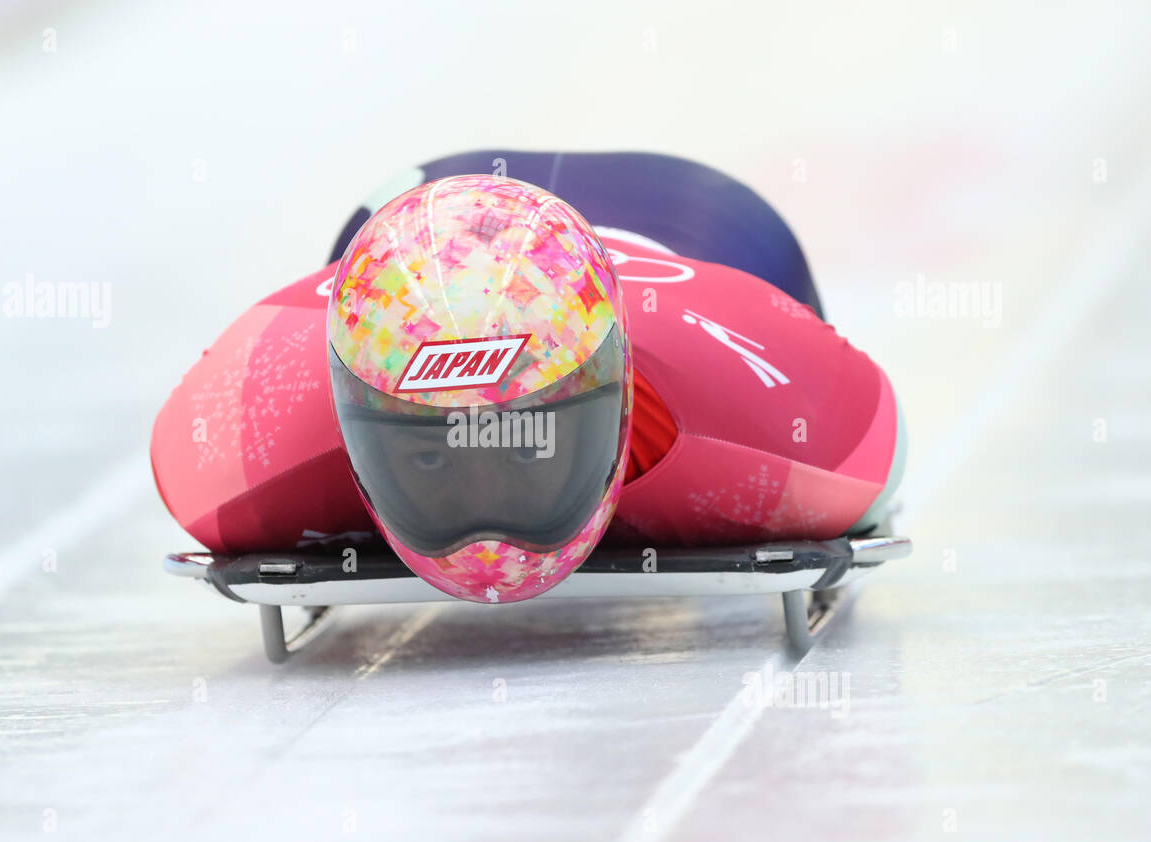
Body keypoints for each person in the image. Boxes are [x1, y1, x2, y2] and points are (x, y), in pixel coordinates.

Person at [151, 151, 905, 604]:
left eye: (524, 443)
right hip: (409, 214)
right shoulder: (236, 439)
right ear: (350, 412)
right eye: (431, 454)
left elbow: (871, 436)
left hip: (697, 220)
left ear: (617, 390)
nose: (486, 519)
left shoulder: (782, 409)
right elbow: (884, 456)